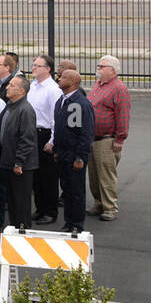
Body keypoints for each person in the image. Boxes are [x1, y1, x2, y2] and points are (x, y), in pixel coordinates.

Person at [88, 55, 131, 221]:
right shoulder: (98, 85)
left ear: (112, 70)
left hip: (106, 139)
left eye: (101, 66)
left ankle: (110, 208)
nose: (98, 69)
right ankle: (99, 203)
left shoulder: (119, 89)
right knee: (94, 175)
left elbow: (123, 115)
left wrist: (120, 139)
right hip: (92, 137)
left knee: (106, 175)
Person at [53, 69, 95, 232]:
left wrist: (80, 157)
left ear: (73, 82)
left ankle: (76, 224)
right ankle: (68, 222)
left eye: (63, 77)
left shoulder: (80, 103)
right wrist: (57, 150)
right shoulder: (61, 101)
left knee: (76, 192)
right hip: (62, 154)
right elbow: (59, 128)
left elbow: (85, 133)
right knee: (67, 189)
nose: (59, 79)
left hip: (74, 156)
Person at [0, 76, 38, 231]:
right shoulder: (10, 106)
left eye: (11, 85)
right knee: (12, 200)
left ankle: (23, 231)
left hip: (21, 166)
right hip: (7, 161)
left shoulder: (25, 110)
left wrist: (19, 162)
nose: (7, 87)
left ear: (21, 90)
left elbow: (27, 139)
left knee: (21, 201)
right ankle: (15, 230)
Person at [28, 55, 62, 224]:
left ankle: (50, 211)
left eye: (37, 65)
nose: (33, 68)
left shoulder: (53, 90)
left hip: (45, 134)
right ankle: (40, 208)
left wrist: (52, 141)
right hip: (32, 134)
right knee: (36, 175)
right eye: (33, 65)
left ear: (48, 69)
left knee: (48, 176)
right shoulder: (33, 86)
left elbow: (56, 118)